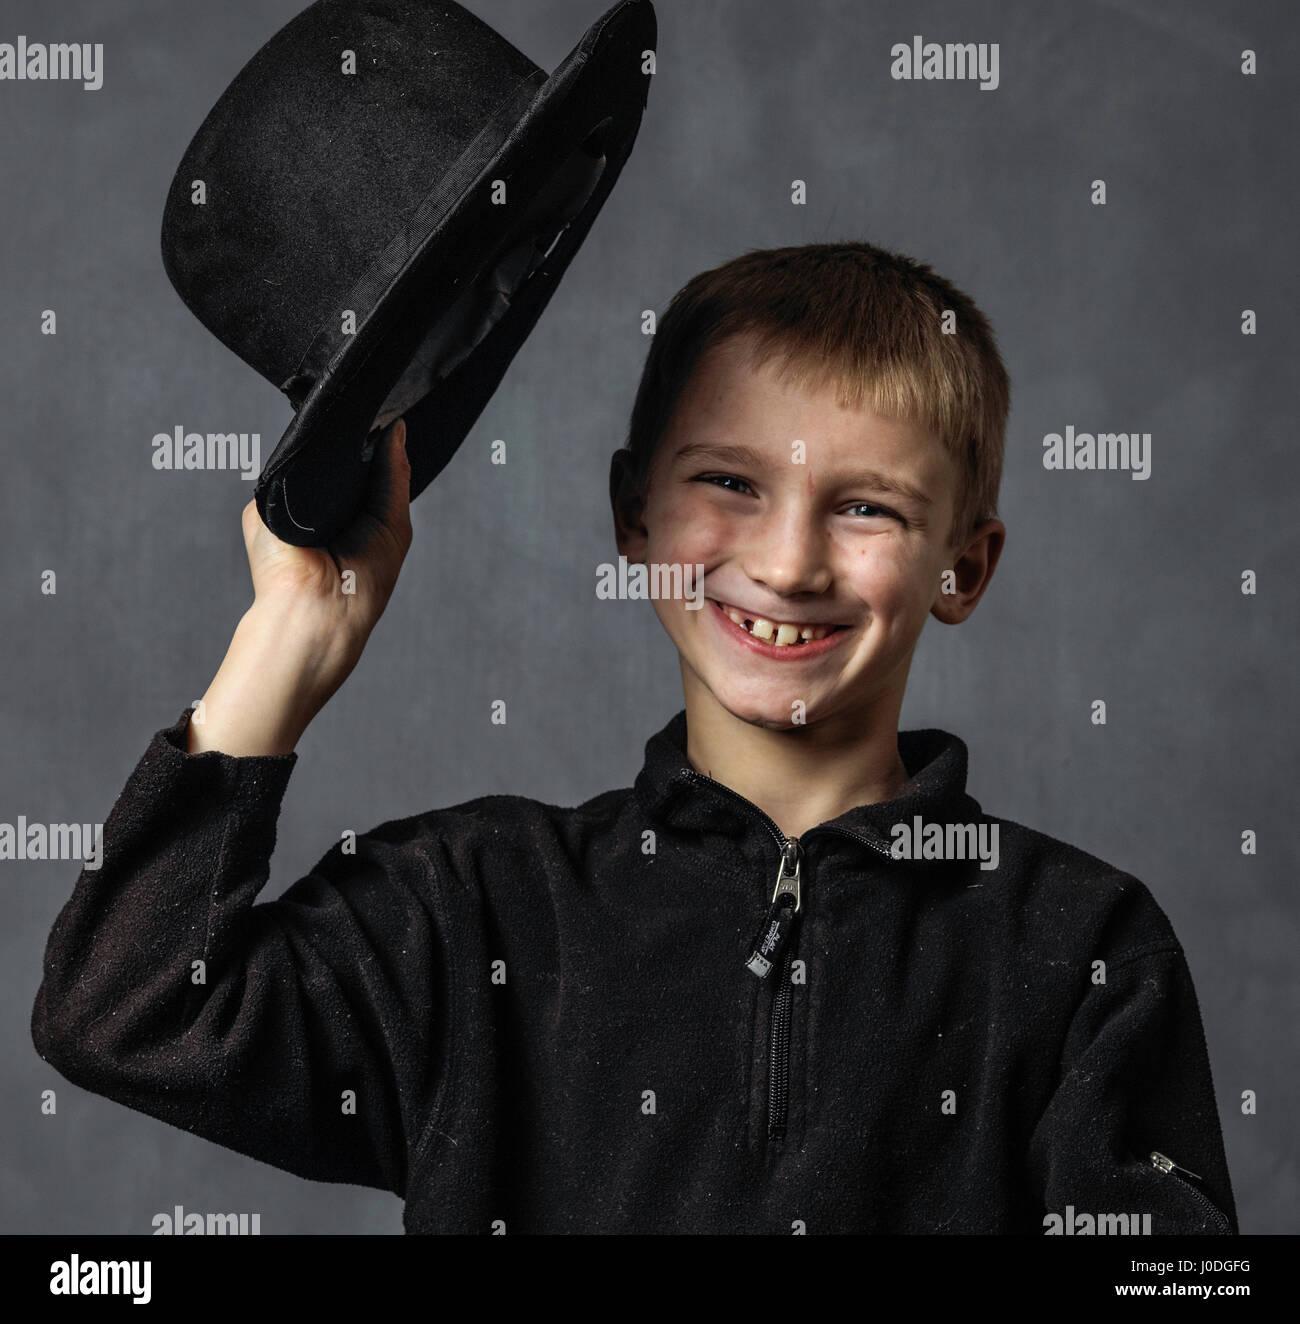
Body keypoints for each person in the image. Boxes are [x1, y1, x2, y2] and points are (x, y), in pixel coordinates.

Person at [31, 242, 1237, 1234]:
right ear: (632, 513)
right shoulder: (474, 910)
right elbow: (128, 1010)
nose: (786, 561)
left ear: (962, 566)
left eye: (866, 506)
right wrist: (285, 645)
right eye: (731, 482)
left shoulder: (1082, 943)